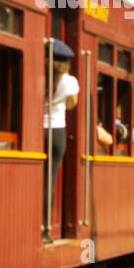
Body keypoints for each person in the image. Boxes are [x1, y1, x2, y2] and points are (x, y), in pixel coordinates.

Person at [45, 39, 79, 183]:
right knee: (50, 178)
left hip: (36, 130)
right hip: (57, 132)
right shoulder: (69, 81)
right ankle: (47, 206)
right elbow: (71, 105)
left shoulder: (39, 76)